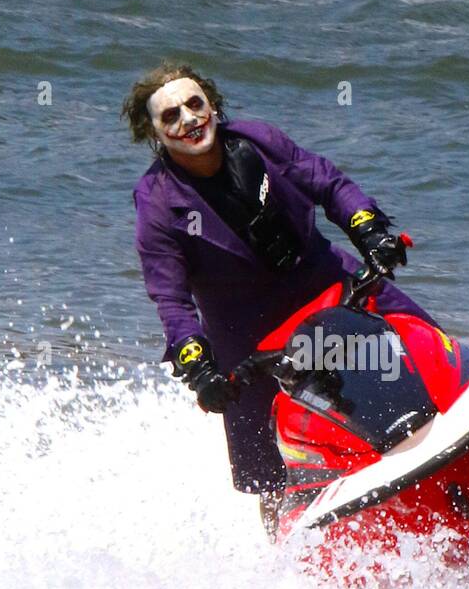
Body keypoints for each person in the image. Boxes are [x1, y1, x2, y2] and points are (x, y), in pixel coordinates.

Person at [123, 61, 436, 535]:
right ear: (154, 132)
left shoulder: (258, 140)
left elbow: (326, 182)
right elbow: (171, 299)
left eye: (194, 104)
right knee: (270, 479)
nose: (188, 120)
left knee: (426, 349)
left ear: (212, 104)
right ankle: (287, 564)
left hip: (331, 287)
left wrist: (369, 231)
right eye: (171, 116)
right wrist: (198, 367)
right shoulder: (157, 203)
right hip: (251, 340)